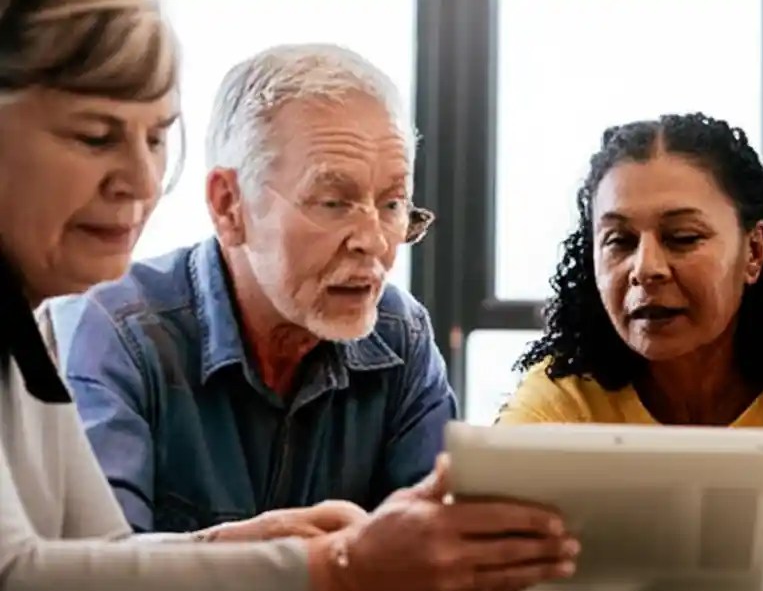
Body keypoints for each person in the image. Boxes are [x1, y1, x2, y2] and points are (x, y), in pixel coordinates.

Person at [0, 0, 575, 591]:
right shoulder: (115, 320)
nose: (143, 181)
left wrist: (233, 545)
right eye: (96, 136)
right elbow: (14, 584)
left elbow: (93, 554)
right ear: (228, 205)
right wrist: (335, 572)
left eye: (159, 138)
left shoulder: (34, 317)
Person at [498, 112, 763, 591]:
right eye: (619, 241)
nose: (646, 269)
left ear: (755, 252)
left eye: (683, 238)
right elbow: (487, 551)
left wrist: (608, 567)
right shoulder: (564, 389)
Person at [44, 42, 457, 535]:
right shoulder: (117, 330)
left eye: (392, 205)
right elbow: (92, 573)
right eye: (332, 203)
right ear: (229, 205)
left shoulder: (400, 336)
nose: (373, 243)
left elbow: (437, 546)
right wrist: (281, 564)